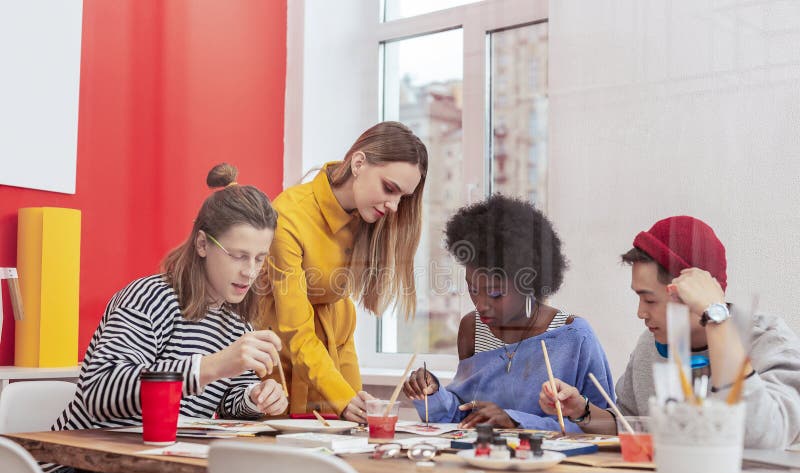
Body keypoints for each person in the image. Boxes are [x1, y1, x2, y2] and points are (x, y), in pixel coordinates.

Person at [47, 163, 288, 473]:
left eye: (259, 258)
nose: (250, 272)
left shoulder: (236, 322)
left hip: (158, 470)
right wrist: (209, 366)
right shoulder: (149, 297)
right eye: (239, 256)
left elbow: (227, 399)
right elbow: (100, 391)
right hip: (81, 472)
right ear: (204, 244)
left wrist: (256, 397)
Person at [540, 215, 800, 448]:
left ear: (690, 294)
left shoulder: (769, 341)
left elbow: (761, 438)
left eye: (650, 300)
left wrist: (716, 317)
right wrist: (582, 410)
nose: (640, 313)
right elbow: (632, 426)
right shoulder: (650, 345)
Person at [256, 121, 428, 422]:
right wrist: (343, 397)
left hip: (333, 357)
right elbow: (295, 330)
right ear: (359, 163)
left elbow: (340, 321)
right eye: (390, 188)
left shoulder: (365, 217)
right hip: (279, 364)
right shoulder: (288, 215)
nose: (394, 206)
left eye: (404, 197)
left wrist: (353, 397)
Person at [403, 195, 614, 430]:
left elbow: (608, 427)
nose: (481, 304)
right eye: (472, 289)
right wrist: (433, 394)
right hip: (480, 460)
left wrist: (515, 422)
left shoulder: (574, 337)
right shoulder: (472, 329)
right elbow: (463, 416)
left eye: (495, 294)